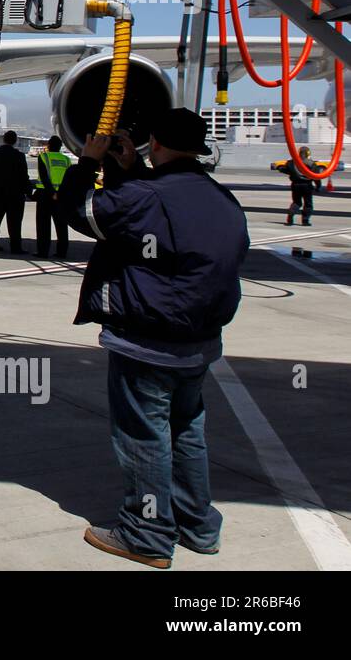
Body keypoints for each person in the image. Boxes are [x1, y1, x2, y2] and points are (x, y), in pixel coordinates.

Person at [55, 108, 249, 569]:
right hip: (200, 343)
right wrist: (132, 171)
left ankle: (145, 533)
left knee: (144, 436)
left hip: (147, 339)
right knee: (187, 432)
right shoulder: (222, 198)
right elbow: (163, 215)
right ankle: (198, 526)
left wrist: (88, 161)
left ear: (155, 144)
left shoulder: (146, 197)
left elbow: (78, 211)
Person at [0, 131, 30, 252]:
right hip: (16, 194)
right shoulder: (19, 156)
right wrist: (28, 191)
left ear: (3, 139)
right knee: (15, 223)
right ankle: (15, 247)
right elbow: (24, 176)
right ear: (15, 141)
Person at [34, 135, 72, 259]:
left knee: (43, 225)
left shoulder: (43, 157)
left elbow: (44, 178)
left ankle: (43, 252)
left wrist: (52, 193)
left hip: (45, 194)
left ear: (49, 146)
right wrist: (60, 193)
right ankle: (62, 252)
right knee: (61, 225)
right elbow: (68, 180)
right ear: (60, 147)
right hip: (61, 195)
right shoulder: (66, 160)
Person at [276, 146, 316, 226]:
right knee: (308, 204)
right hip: (307, 185)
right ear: (308, 153)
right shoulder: (311, 163)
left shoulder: (291, 162)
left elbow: (286, 170)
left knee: (296, 202)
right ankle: (305, 220)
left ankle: (290, 216)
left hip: (295, 185)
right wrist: (318, 186)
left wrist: (279, 169)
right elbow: (315, 175)